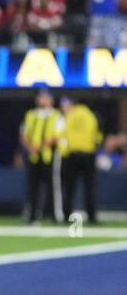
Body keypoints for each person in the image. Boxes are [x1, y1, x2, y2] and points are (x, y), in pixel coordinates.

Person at [58, 96, 101, 224]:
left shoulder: (69, 115)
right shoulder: (92, 116)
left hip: (71, 155)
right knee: (89, 187)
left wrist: (65, 152)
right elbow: (97, 137)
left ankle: (66, 216)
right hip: (88, 155)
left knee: (69, 187)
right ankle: (91, 217)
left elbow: (62, 134)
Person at [20, 89, 60, 224]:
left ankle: (53, 215)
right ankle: (32, 215)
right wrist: (30, 147)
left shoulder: (56, 115)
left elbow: (56, 136)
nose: (43, 100)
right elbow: (24, 134)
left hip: (49, 156)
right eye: (41, 97)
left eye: (46, 98)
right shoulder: (31, 115)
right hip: (33, 156)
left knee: (51, 186)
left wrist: (40, 146)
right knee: (32, 187)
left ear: (51, 100)